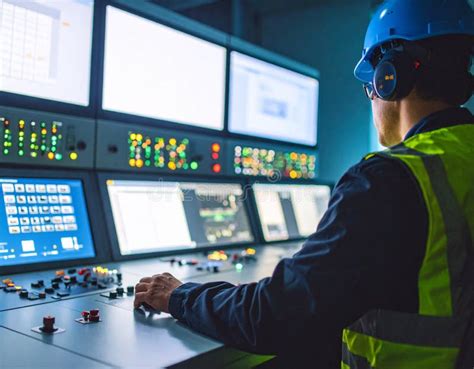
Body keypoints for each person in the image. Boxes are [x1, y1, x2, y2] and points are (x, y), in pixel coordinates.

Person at [134, 0, 474, 367]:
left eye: (370, 85)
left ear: (388, 77)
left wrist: (179, 295)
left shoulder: (389, 179)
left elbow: (273, 316)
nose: (372, 98)